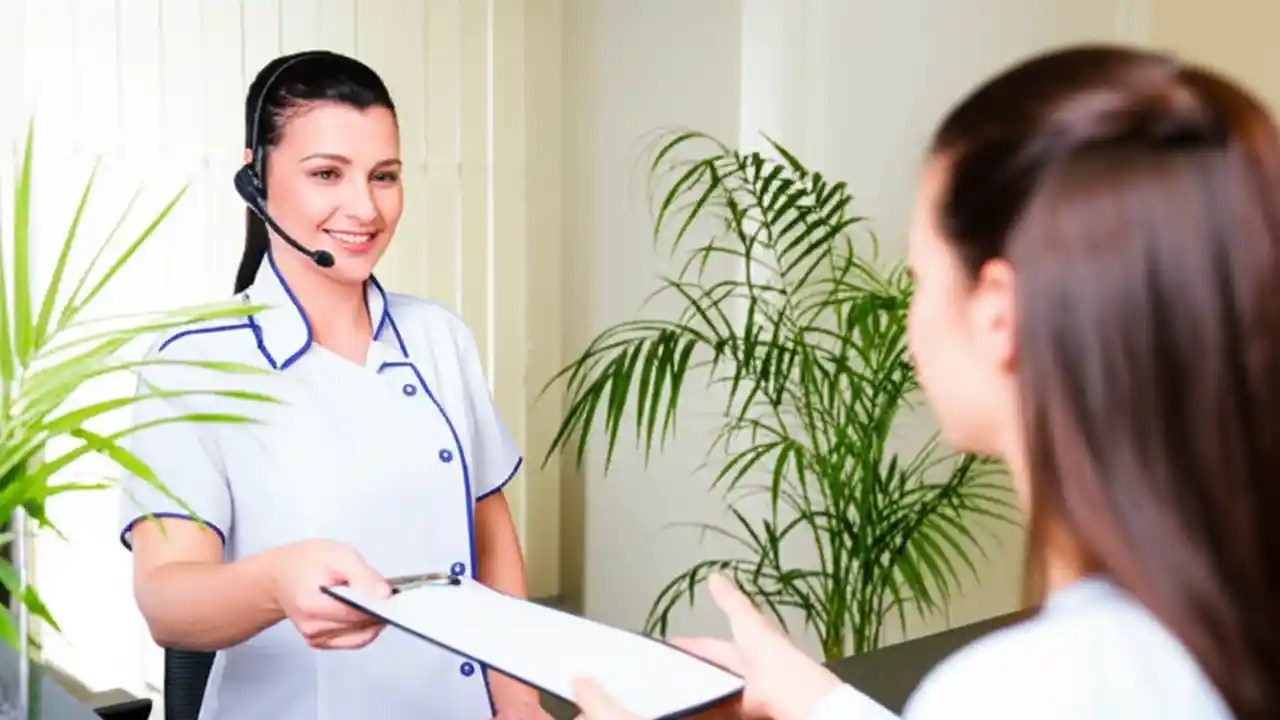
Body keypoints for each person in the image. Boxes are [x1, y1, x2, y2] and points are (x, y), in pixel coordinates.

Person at [573, 44, 1280, 719]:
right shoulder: (1211, 630)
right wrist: (815, 699)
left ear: (1000, 314)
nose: (909, 323)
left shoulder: (1028, 689)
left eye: (919, 279)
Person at [117, 50, 551, 720]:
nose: (365, 208)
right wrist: (272, 583)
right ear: (255, 175)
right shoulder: (193, 363)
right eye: (327, 174)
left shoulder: (439, 338)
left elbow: (491, 541)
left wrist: (520, 707)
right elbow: (166, 602)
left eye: (385, 176)